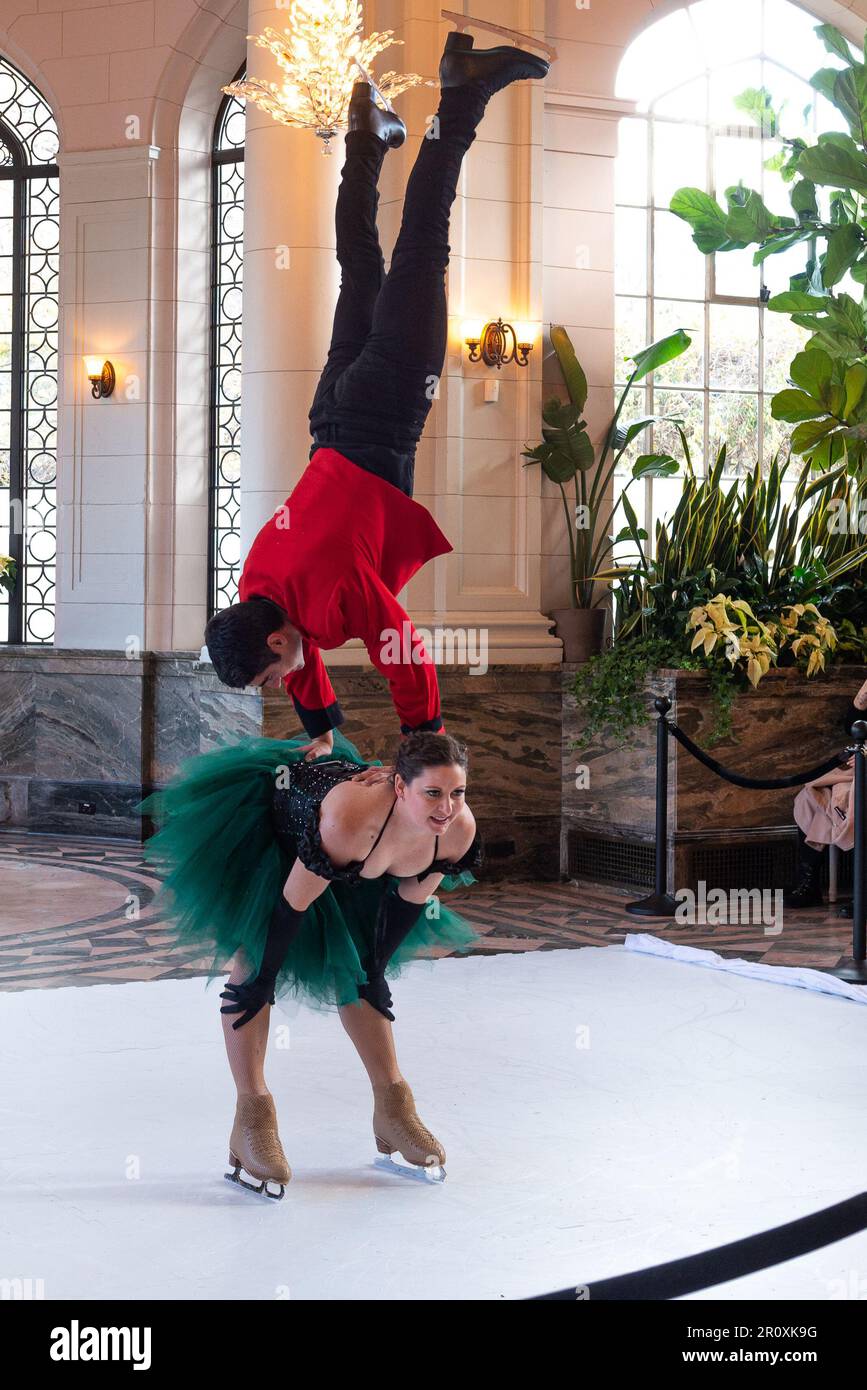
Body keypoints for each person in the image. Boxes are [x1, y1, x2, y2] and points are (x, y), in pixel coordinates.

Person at [201, 18, 552, 757]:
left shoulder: (325, 594)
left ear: (271, 639)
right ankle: (366, 137)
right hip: (330, 417)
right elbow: (295, 648)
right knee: (360, 268)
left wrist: (422, 731)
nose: (278, 682)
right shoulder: (260, 580)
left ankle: (465, 93)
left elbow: (399, 643)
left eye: (268, 676)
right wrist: (323, 734)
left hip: (385, 414)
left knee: (424, 241)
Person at [141, 729, 483, 1196]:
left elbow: (407, 904)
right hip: (279, 839)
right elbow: (292, 907)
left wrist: (374, 969)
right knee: (257, 968)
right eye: (433, 793)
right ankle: (252, 1118)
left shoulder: (457, 830)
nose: (446, 807)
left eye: (456, 792)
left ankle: (394, 1108)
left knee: (365, 973)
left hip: (358, 861)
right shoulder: (352, 818)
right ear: (401, 788)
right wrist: (264, 975)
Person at [784, 675, 867, 908]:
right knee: (812, 797)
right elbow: (852, 726)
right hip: (858, 769)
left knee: (853, 800)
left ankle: (863, 892)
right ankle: (809, 883)